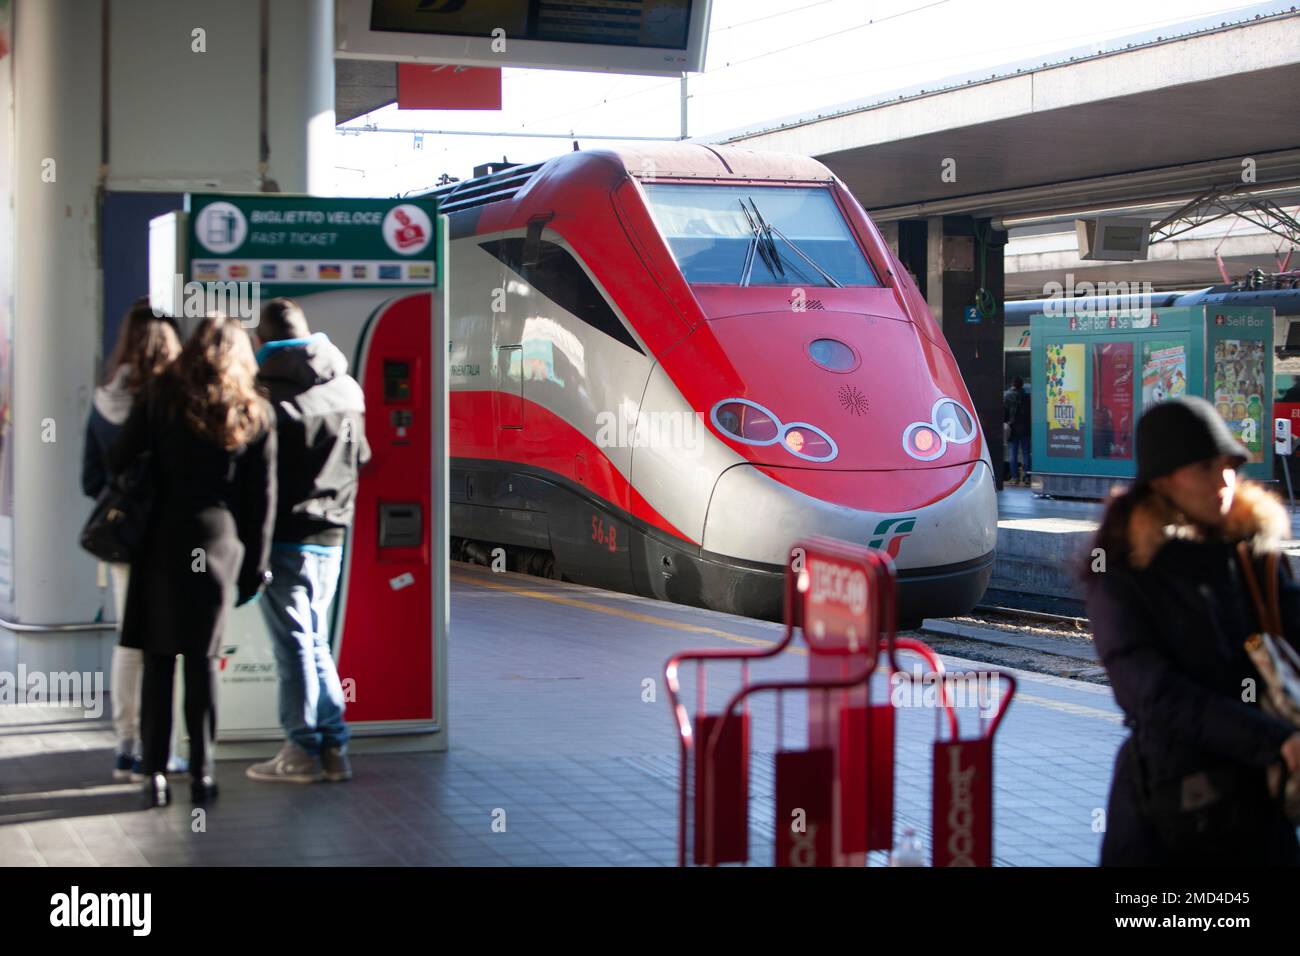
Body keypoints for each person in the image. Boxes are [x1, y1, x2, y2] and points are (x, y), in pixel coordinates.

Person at [1086, 396, 1300, 866]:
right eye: (1205, 468)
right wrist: (1272, 740)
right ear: (1162, 479)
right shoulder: (1124, 571)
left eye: (1229, 466)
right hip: (1172, 808)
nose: (1223, 482)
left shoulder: (1253, 555)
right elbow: (1154, 694)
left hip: (1264, 806)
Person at [110, 316, 276, 807]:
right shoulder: (253, 410)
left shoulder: (160, 395)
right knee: (203, 663)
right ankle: (203, 774)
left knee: (159, 661)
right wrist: (256, 567)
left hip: (160, 540)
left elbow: (120, 459)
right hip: (218, 544)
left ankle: (155, 775)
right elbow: (261, 500)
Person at [245, 299, 370, 785]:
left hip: (283, 538)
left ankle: (301, 749)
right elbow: (362, 456)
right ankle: (334, 748)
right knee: (315, 641)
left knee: (295, 645)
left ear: (262, 344)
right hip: (332, 536)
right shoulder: (348, 389)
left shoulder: (266, 398)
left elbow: (254, 477)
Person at [80, 298, 181, 780]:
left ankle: (127, 745)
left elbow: (88, 479)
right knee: (171, 643)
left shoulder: (104, 397)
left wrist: (123, 500)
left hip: (125, 540)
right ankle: (167, 747)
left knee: (131, 640)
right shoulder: (175, 398)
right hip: (174, 537)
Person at [1004, 377, 1031, 485]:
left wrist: (1006, 422)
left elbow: (1005, 412)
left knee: (1013, 454)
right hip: (1025, 429)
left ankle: (1015, 478)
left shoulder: (1008, 396)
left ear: (1013, 384)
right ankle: (1027, 477)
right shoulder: (1027, 397)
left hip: (1013, 428)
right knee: (1026, 453)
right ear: (1022, 385)